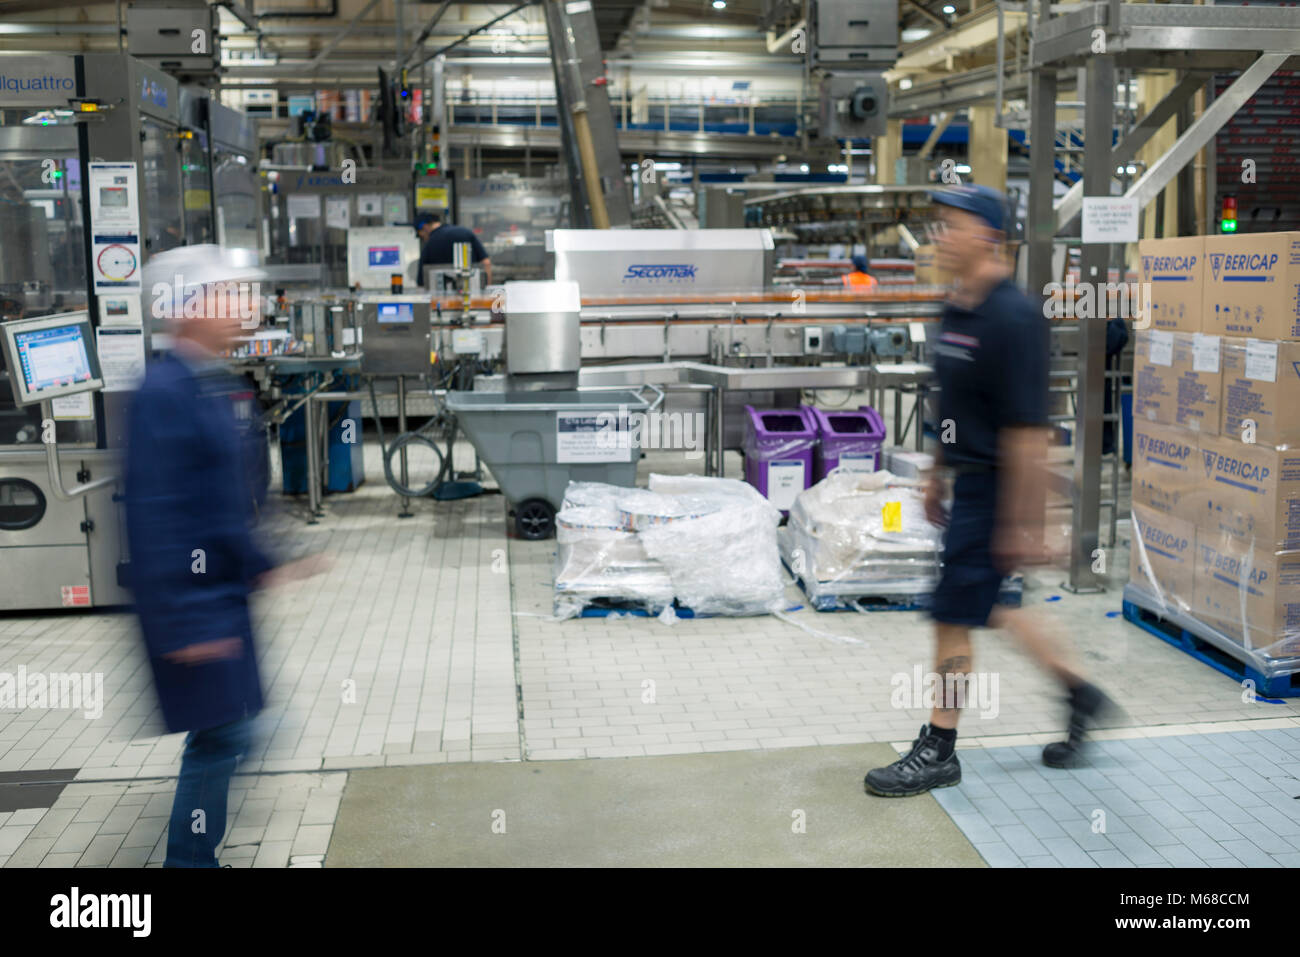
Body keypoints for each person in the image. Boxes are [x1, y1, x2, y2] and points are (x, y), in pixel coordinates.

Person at [864, 185, 1115, 798]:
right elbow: (950, 402)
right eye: (939, 226)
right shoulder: (957, 309)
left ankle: (938, 748)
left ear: (987, 235)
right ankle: (1081, 691)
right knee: (996, 606)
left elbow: (1029, 430)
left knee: (953, 615)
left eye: (951, 225)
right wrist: (934, 471)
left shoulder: (1014, 316)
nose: (939, 237)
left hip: (1000, 488)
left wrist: (1023, 522)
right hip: (969, 483)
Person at [125, 245, 327, 866]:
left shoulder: (211, 382)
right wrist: (187, 624)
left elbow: (223, 502)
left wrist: (266, 560)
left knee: (231, 730)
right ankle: (188, 861)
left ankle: (192, 856)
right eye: (226, 296)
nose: (244, 308)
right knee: (225, 735)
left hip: (223, 599)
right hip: (197, 610)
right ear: (186, 308)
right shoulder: (163, 392)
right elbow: (155, 516)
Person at [415, 211, 492, 288]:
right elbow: (486, 263)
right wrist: (487, 289)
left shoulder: (429, 244)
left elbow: (422, 281)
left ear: (424, 227)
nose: (423, 239)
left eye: (420, 235)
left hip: (443, 297)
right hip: (473, 291)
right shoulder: (465, 232)